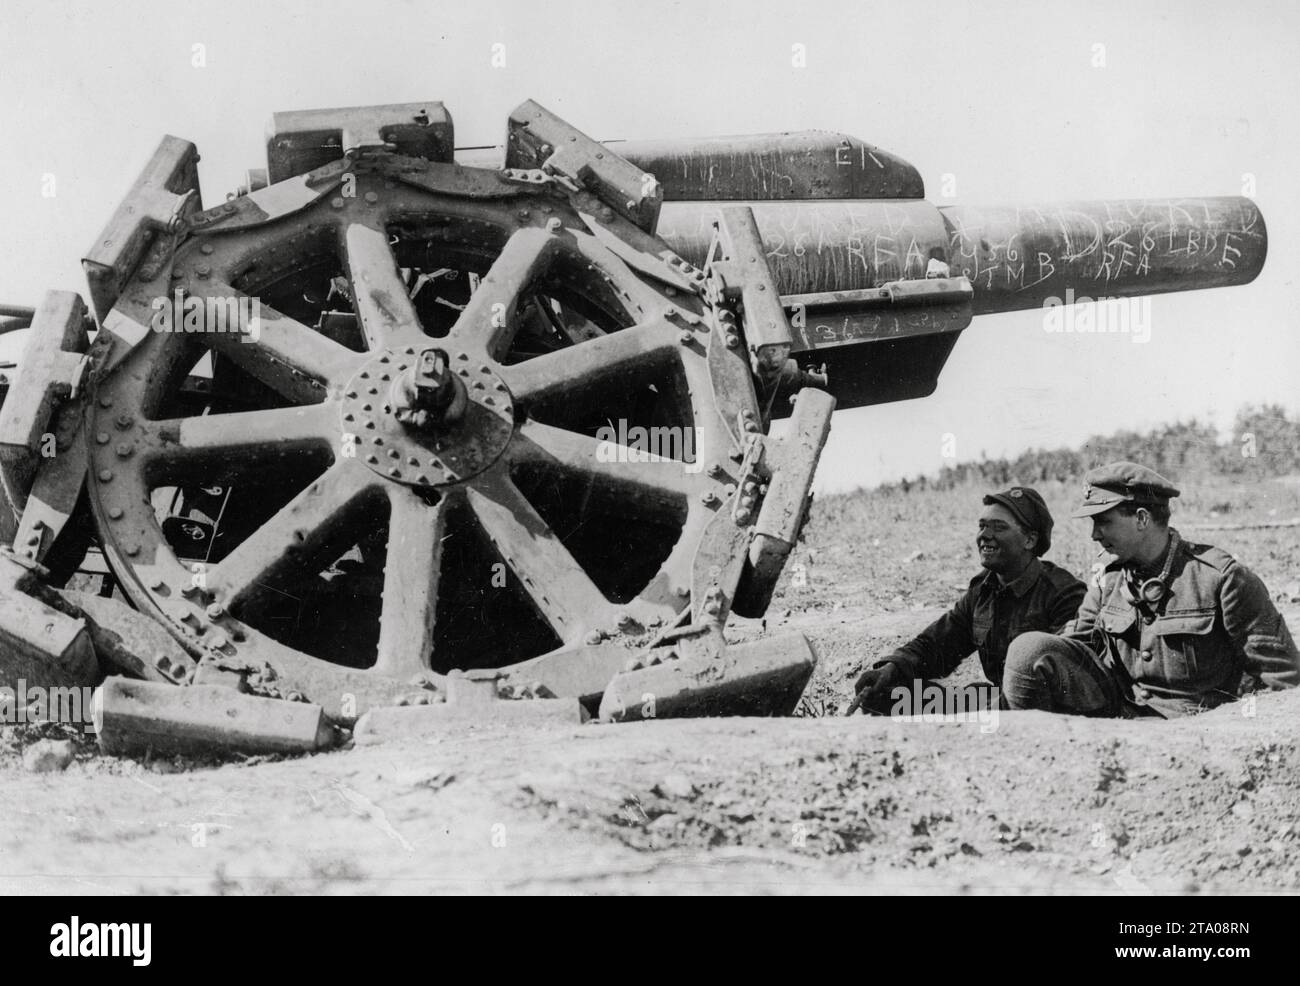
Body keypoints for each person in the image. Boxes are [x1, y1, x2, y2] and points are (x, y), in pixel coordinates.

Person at [1003, 462, 1300, 717]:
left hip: (1197, 728)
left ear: (1142, 518)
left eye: (1103, 522)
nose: (1094, 535)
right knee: (1029, 651)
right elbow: (1075, 648)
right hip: (1120, 714)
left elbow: (1284, 680)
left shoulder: (1221, 579)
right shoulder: (1109, 579)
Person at [847, 486, 1085, 714]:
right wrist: (892, 668)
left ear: (1030, 540)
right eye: (982, 526)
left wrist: (985, 712)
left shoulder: (1063, 593)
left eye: (998, 527)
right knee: (887, 694)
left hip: (1037, 710)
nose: (985, 536)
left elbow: (1066, 684)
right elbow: (936, 645)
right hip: (991, 702)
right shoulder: (983, 588)